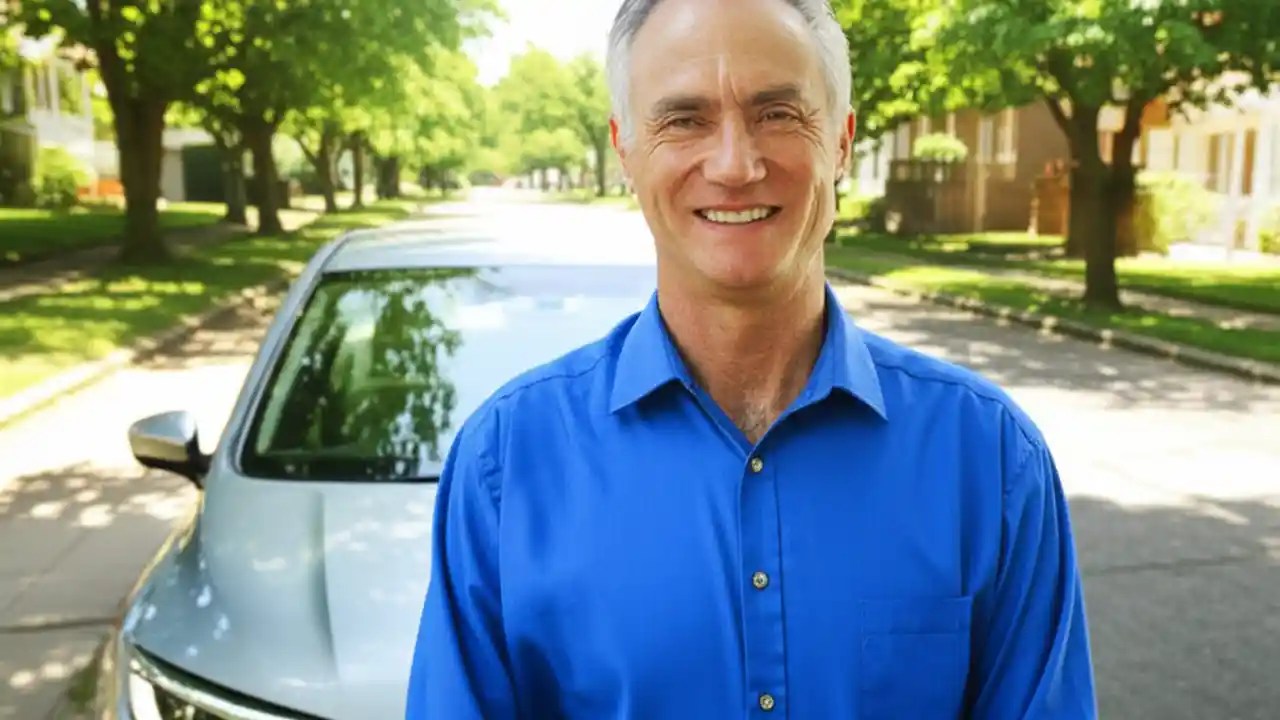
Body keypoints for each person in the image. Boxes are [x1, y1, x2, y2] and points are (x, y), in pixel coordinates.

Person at [405, 0, 1097, 716]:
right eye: (684, 120)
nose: (735, 164)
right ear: (625, 152)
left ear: (840, 142)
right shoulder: (508, 463)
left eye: (777, 114)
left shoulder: (987, 459)